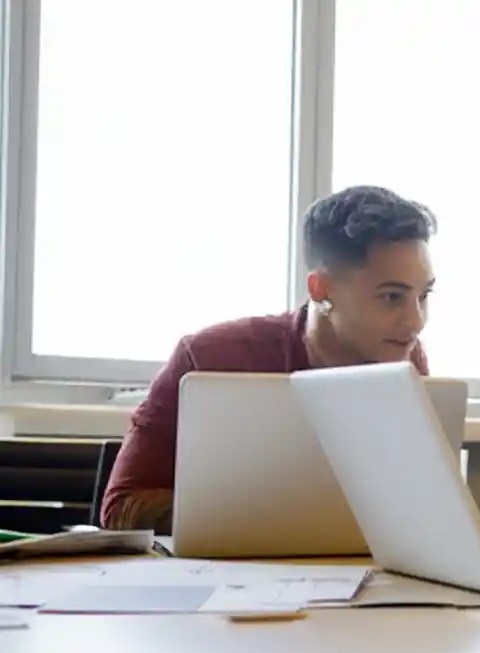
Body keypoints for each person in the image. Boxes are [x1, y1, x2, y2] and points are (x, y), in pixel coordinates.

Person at [100, 185, 437, 532]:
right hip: (228, 577)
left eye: (423, 296)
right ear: (321, 289)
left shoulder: (405, 361)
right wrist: (273, 517)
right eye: (392, 297)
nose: (416, 322)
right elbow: (121, 507)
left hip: (353, 574)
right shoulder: (210, 357)